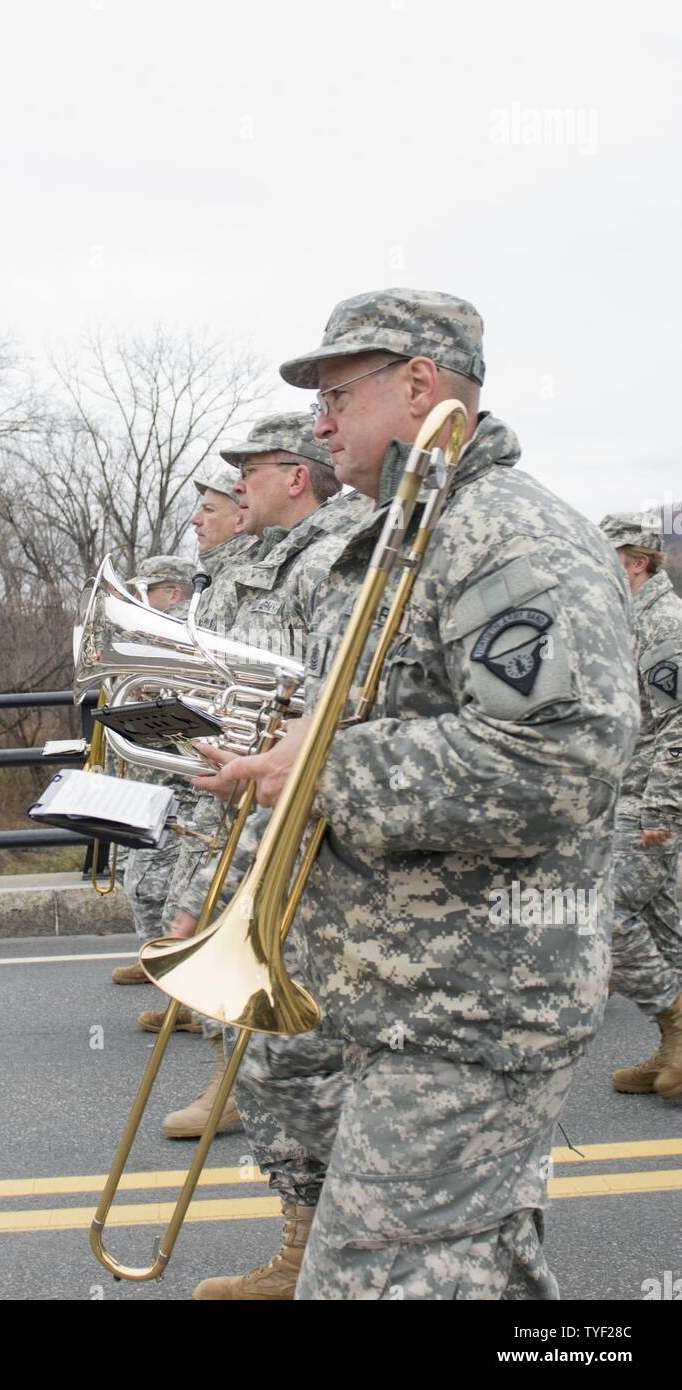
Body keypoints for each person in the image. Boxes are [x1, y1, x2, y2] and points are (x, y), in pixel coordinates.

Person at [181, 288, 641, 1301]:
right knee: (473, 1274)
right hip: (386, 994)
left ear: (422, 385)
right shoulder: (395, 532)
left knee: (375, 1282)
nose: (320, 421)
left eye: (339, 393)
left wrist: (319, 767)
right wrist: (270, 746)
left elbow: (555, 760)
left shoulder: (511, 539)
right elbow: (370, 712)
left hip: (471, 1009)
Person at [143, 414, 361, 1148]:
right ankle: (245, 1095)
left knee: (297, 1036)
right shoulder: (264, 564)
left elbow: (302, 719)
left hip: (294, 814)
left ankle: (251, 1097)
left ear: (295, 477)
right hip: (250, 801)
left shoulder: (325, 561)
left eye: (252, 471)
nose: (238, 485)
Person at [598, 513, 682, 1099]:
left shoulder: (664, 623)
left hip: (653, 799)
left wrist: (662, 811)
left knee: (601, 911)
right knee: (665, 929)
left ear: (637, 562)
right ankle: (671, 1048)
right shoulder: (627, 619)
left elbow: (680, 723)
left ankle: (677, 1026)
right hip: (628, 792)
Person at [110, 555, 204, 1007]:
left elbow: (192, 703)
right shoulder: (154, 634)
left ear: (172, 593)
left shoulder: (184, 631)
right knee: (138, 875)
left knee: (156, 884)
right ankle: (153, 959)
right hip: (151, 779)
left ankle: (176, 985)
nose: (137, 600)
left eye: (146, 591)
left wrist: (154, 690)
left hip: (177, 786)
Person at [190, 462, 255, 576]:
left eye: (209, 510)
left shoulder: (247, 576)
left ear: (240, 521)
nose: (195, 520)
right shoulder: (220, 576)